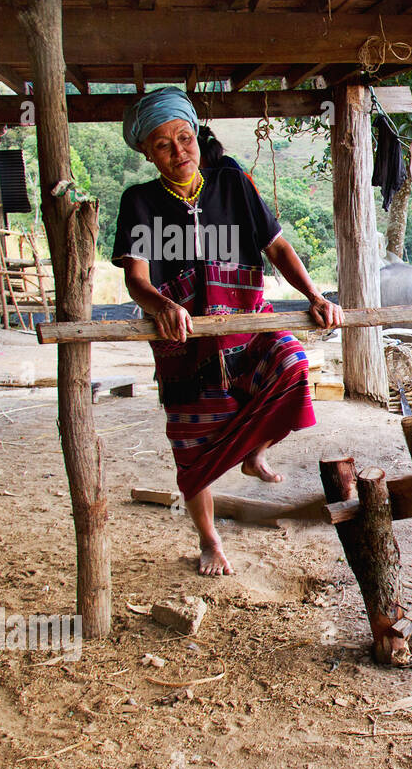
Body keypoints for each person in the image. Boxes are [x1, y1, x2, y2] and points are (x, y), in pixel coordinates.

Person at [112, 86, 342, 577]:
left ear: (195, 134)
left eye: (184, 137)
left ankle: (254, 453)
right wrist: (163, 304)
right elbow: (136, 279)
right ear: (147, 154)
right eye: (162, 145)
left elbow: (277, 248)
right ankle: (210, 541)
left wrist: (314, 296)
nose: (179, 152)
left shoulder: (232, 179)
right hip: (185, 345)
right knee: (193, 447)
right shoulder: (140, 202)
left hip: (247, 322)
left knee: (293, 366)